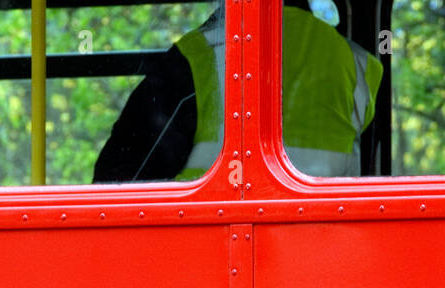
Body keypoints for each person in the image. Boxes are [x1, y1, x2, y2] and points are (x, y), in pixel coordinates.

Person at [93, 0, 382, 182]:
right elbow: (368, 168)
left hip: (202, 255)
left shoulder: (197, 57)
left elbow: (118, 185)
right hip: (324, 256)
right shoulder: (358, 65)